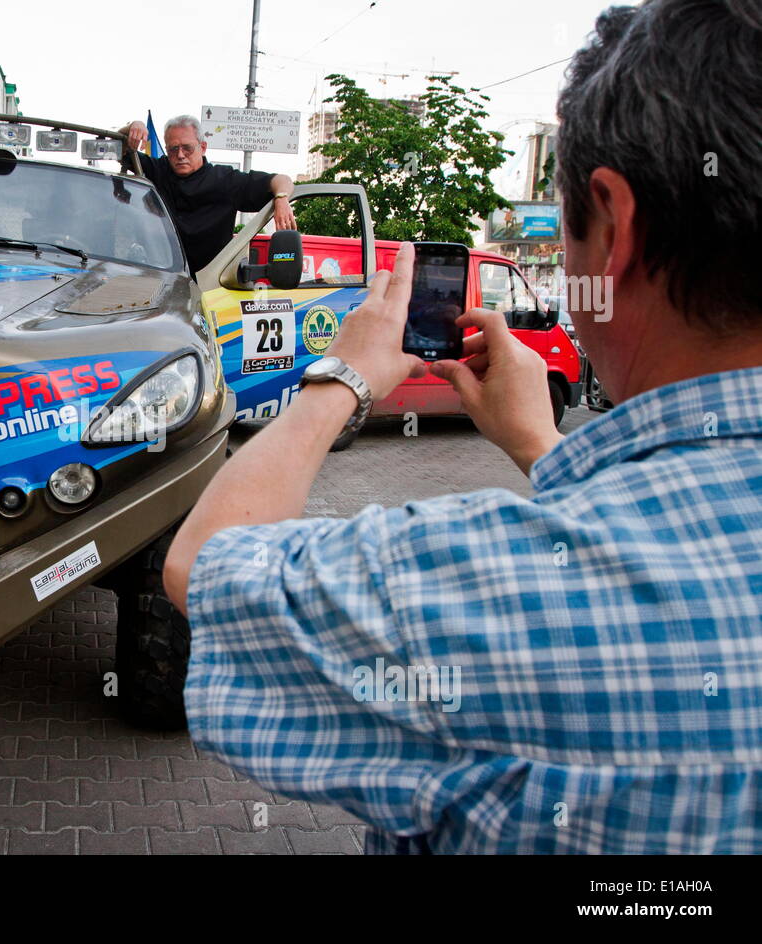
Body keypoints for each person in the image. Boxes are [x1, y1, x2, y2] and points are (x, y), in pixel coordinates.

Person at [163, 0, 762, 854]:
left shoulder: (478, 586)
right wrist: (537, 445)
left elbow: (204, 566)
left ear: (614, 224)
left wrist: (340, 380)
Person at [119, 114, 296, 274]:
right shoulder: (158, 170)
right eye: (173, 149)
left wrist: (281, 198)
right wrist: (133, 126)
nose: (180, 155)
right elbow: (119, 148)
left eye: (187, 148)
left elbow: (281, 180)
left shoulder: (226, 180)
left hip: (212, 283)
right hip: (164, 278)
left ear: (202, 147)